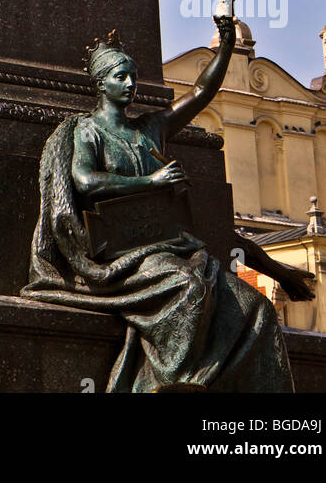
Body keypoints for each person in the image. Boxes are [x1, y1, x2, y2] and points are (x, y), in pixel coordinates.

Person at [22, 21, 295, 392]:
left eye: (134, 76)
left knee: (256, 308)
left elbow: (200, 92)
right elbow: (85, 180)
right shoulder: (87, 132)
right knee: (187, 288)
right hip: (122, 250)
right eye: (121, 77)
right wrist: (151, 182)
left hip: (172, 244)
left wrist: (226, 50)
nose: (131, 84)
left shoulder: (151, 127)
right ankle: (174, 384)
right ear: (101, 83)